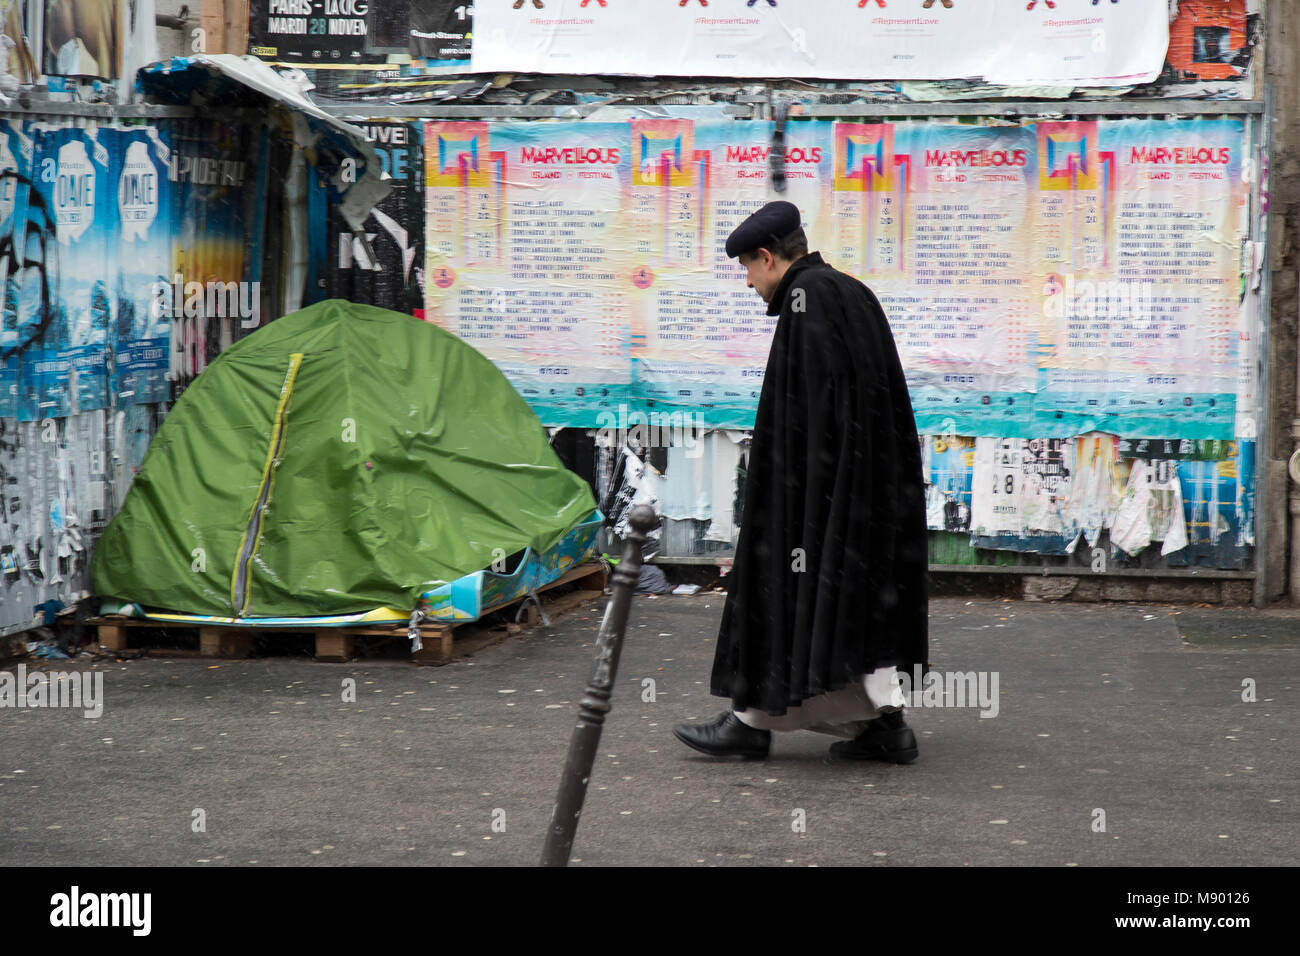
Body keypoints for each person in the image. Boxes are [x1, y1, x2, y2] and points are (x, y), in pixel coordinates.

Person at [672, 201, 928, 762]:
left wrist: (784, 504)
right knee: (854, 603)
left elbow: (808, 423)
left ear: (768, 257)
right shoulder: (852, 292)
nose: (747, 283)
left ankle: (751, 722)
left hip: (822, 496)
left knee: (788, 590)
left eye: (747, 268)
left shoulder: (804, 303)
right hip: (868, 492)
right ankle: (885, 727)